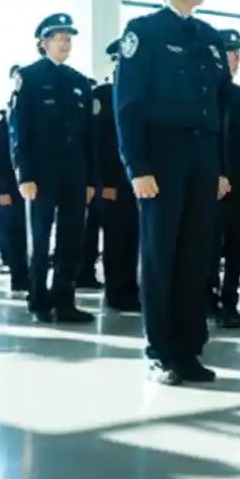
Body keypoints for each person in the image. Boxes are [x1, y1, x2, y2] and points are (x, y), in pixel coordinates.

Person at [115, 0, 233, 384]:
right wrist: (137, 167)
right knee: (161, 255)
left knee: (196, 255)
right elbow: (128, 106)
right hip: (161, 158)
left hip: (202, 156)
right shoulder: (143, 32)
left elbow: (221, 109)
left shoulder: (208, 37)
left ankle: (189, 348)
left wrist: (221, 167)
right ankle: (161, 350)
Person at [11, 14, 97, 323]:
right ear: (43, 43)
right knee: (41, 237)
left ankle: (65, 299)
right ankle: (38, 299)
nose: (65, 43)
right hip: (41, 173)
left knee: (72, 237)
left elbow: (89, 134)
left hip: (74, 173)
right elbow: (18, 129)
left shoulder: (78, 82)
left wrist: (91, 179)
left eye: (68, 38)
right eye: (59, 38)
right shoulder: (29, 77)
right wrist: (24, 175)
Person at [95, 39, 141, 313]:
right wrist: (104, 183)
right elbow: (98, 143)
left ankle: (132, 289)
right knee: (115, 239)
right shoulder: (102, 95)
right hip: (113, 181)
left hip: (138, 180)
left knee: (136, 238)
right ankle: (115, 292)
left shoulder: (140, 93)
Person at [209, 29, 240, 328]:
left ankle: (230, 301)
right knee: (209, 245)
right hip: (214, 182)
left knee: (238, 244)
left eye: (238, 52)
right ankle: (207, 301)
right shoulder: (207, 94)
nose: (236, 58)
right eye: (229, 52)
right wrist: (218, 173)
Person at [0, 109, 28, 292]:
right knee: (13, 234)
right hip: (10, 191)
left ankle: (25, 275)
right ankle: (18, 277)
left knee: (23, 234)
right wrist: (4, 189)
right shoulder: (3, 131)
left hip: (26, 188)